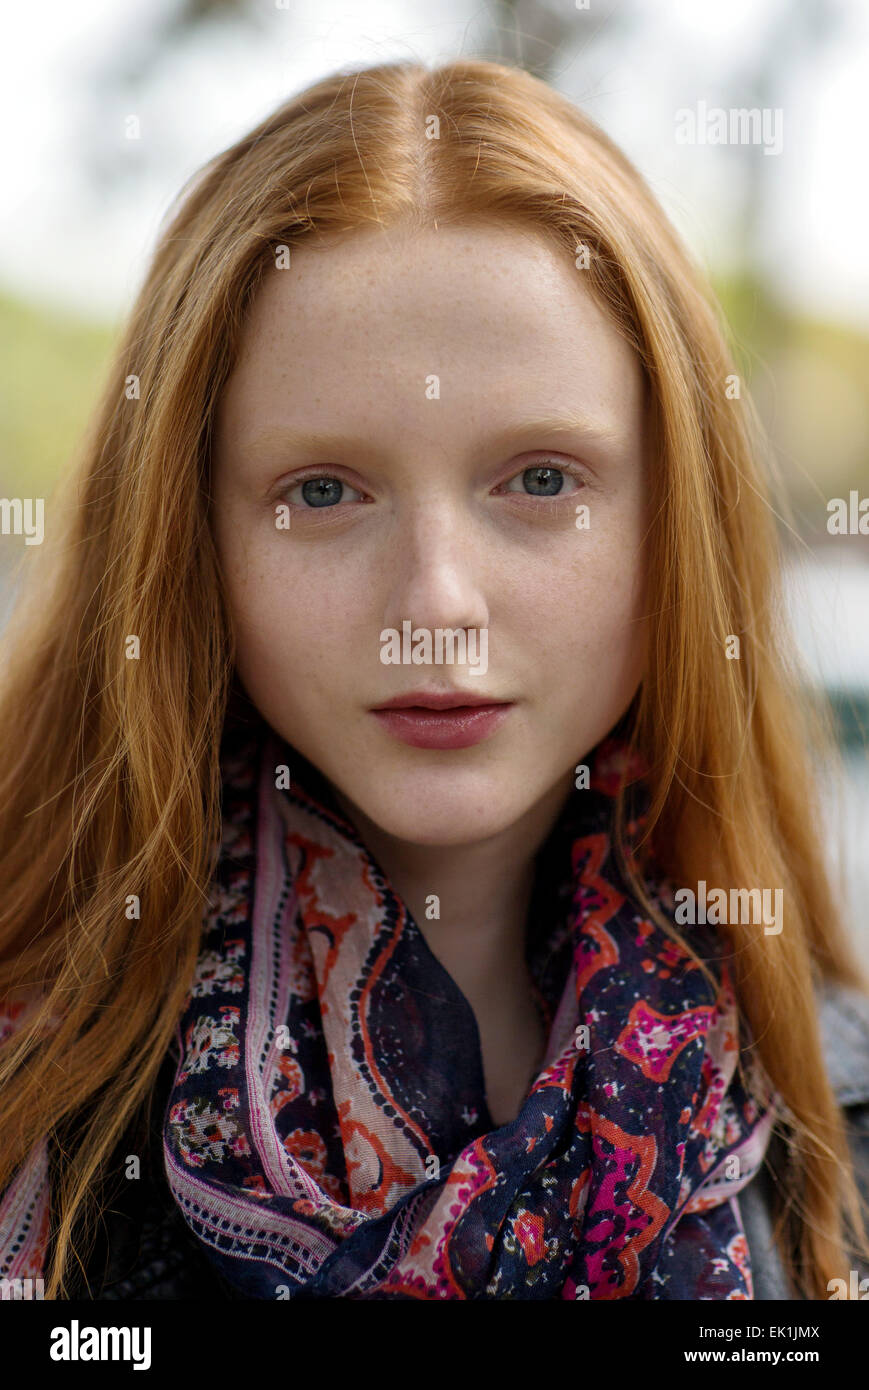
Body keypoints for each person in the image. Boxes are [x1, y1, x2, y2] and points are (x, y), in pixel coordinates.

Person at [1, 57, 867, 1302]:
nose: (433, 603)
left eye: (540, 479)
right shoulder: (41, 1118)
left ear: (678, 524)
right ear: (189, 540)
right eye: (322, 491)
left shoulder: (835, 1127)